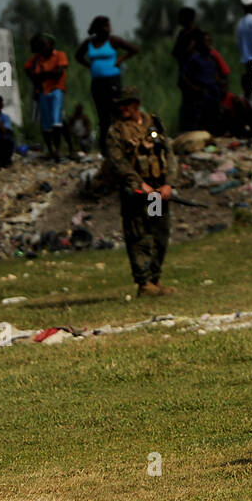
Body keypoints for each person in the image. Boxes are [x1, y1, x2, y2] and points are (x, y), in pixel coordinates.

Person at [104, 86, 175, 297]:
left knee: (158, 233)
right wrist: (137, 183)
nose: (123, 109)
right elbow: (118, 163)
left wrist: (168, 183)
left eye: (127, 104)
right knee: (138, 235)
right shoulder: (116, 131)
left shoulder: (154, 124)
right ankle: (144, 282)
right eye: (121, 105)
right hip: (136, 192)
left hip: (157, 191)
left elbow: (169, 154)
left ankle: (155, 277)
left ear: (136, 104)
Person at [75, 16, 139, 155]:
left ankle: (120, 144)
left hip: (113, 80)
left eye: (108, 26)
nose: (108, 29)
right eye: (105, 26)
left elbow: (134, 49)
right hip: (97, 82)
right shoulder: (90, 42)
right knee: (102, 115)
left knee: (115, 111)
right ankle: (105, 148)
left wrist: (120, 59)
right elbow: (78, 56)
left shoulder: (113, 40)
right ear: (98, 28)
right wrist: (90, 66)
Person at [26, 33, 74, 162]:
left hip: (56, 90)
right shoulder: (37, 59)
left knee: (56, 120)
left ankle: (60, 149)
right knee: (46, 123)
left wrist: (41, 75)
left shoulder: (59, 55)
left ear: (51, 44)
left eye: (44, 44)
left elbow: (58, 73)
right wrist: (45, 75)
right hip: (42, 92)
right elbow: (30, 72)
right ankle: (52, 150)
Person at [178, 28, 222, 133]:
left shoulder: (212, 58)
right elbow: (183, 75)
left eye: (210, 41)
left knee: (213, 117)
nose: (208, 43)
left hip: (213, 92)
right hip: (201, 93)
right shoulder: (195, 58)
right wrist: (194, 88)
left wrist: (216, 81)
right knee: (199, 119)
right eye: (206, 41)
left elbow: (216, 72)